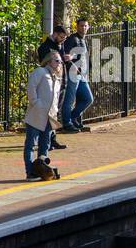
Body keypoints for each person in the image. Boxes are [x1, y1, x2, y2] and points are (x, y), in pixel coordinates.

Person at [24, 52, 63, 180]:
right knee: (31, 144)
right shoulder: (40, 72)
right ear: (49, 61)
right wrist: (35, 102)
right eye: (57, 60)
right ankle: (30, 172)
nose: (59, 63)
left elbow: (56, 97)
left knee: (45, 144)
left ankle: (42, 170)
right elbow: (31, 87)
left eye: (60, 61)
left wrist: (55, 110)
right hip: (37, 113)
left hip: (50, 116)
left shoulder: (57, 77)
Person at [60, 18, 93, 133]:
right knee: (69, 100)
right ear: (77, 26)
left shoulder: (84, 40)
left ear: (88, 27)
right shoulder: (72, 39)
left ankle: (73, 117)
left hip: (82, 75)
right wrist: (72, 63)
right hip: (73, 74)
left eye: (85, 26)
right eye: (81, 26)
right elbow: (66, 55)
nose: (84, 28)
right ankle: (67, 124)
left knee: (88, 99)